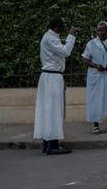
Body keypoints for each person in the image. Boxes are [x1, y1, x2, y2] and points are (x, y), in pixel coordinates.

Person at [34, 17, 77, 155]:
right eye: (63, 25)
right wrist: (71, 36)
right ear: (57, 26)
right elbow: (66, 52)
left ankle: (47, 143)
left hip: (51, 76)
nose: (65, 27)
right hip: (51, 77)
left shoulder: (50, 37)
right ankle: (53, 145)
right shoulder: (50, 38)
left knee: (48, 110)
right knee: (54, 110)